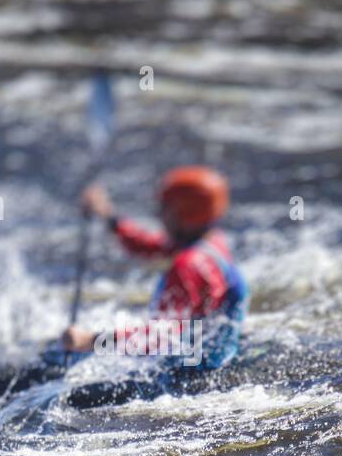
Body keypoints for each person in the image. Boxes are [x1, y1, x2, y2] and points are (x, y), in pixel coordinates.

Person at [60, 166, 248, 395]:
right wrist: (108, 217)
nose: (159, 214)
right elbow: (148, 246)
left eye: (165, 208)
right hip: (213, 368)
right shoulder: (212, 244)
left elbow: (161, 334)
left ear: (184, 214)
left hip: (187, 384)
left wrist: (91, 340)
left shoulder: (188, 266)